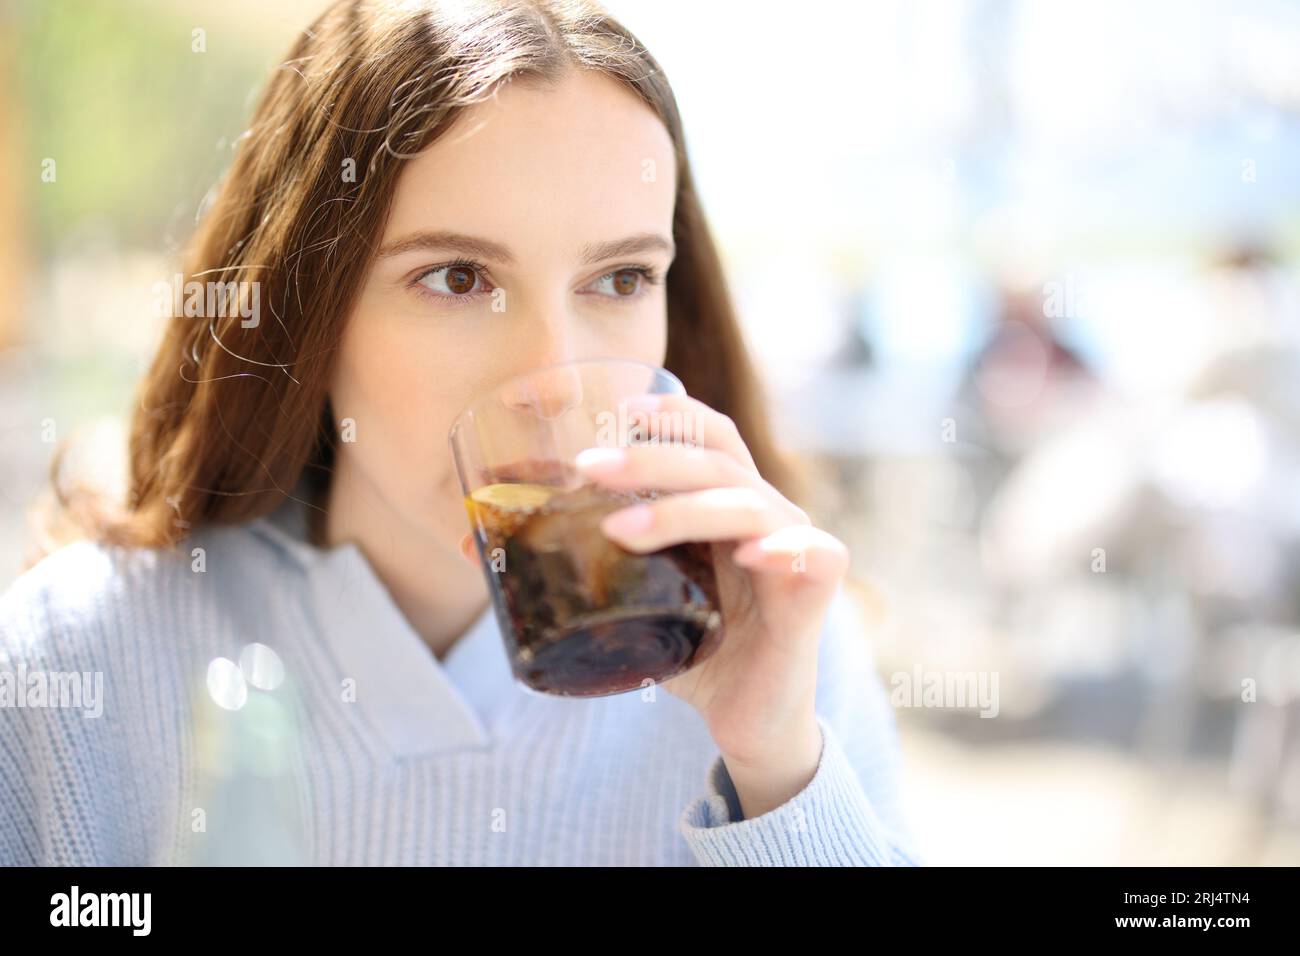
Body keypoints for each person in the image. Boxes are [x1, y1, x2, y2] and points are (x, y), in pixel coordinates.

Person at [0, 0, 919, 866]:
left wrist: (777, 772)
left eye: (622, 279)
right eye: (456, 278)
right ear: (306, 312)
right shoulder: (74, 665)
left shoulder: (780, 645)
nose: (551, 382)